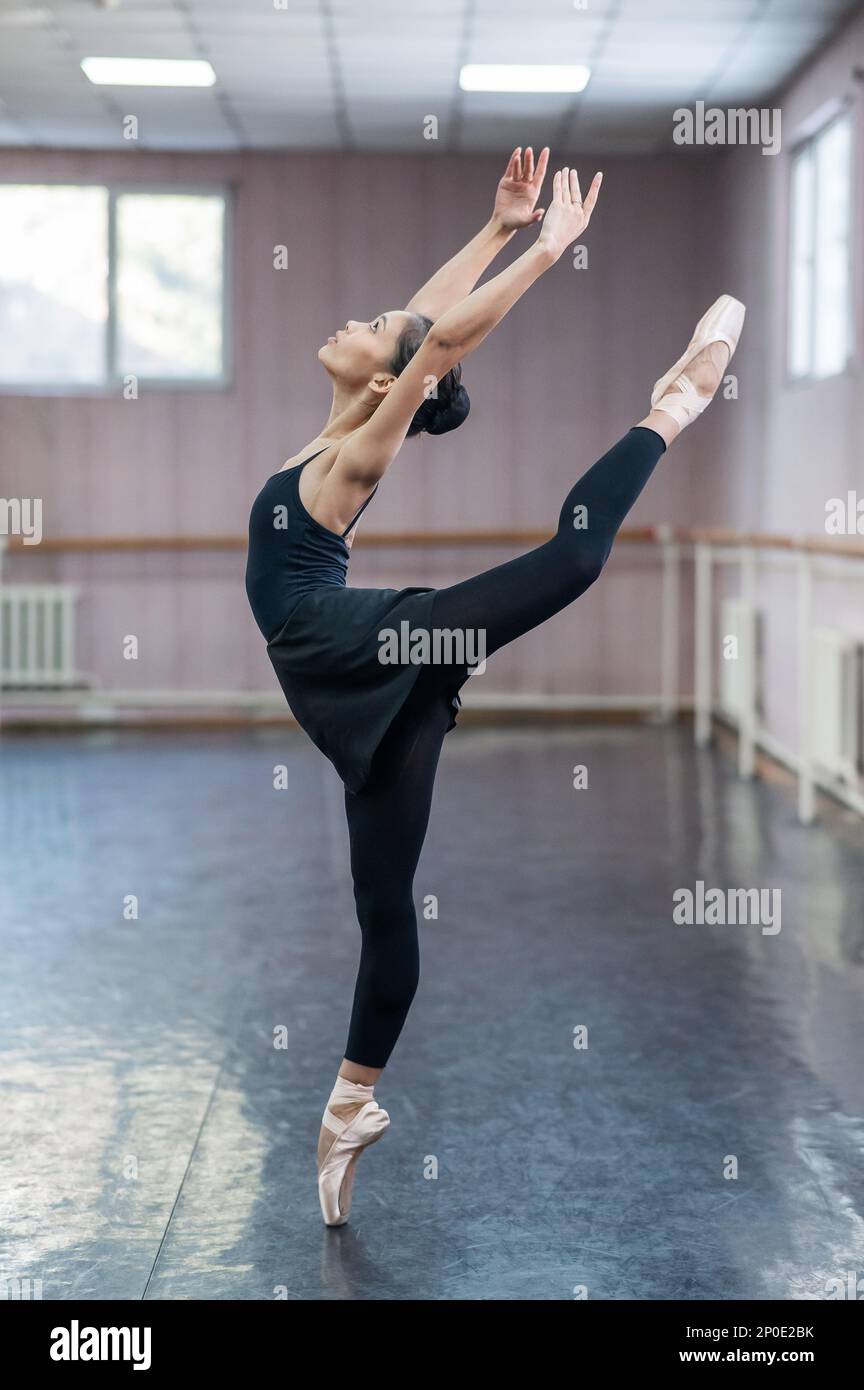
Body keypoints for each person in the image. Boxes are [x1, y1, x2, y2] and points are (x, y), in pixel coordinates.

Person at [244, 147, 745, 1225]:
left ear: (384, 383)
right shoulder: (330, 431)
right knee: (384, 906)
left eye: (370, 330)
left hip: (374, 644)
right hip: (354, 689)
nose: (358, 320)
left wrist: (550, 252)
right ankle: (348, 1110)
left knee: (569, 560)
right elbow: (427, 324)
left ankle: (670, 406)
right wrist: (500, 227)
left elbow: (437, 344)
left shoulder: (354, 457)